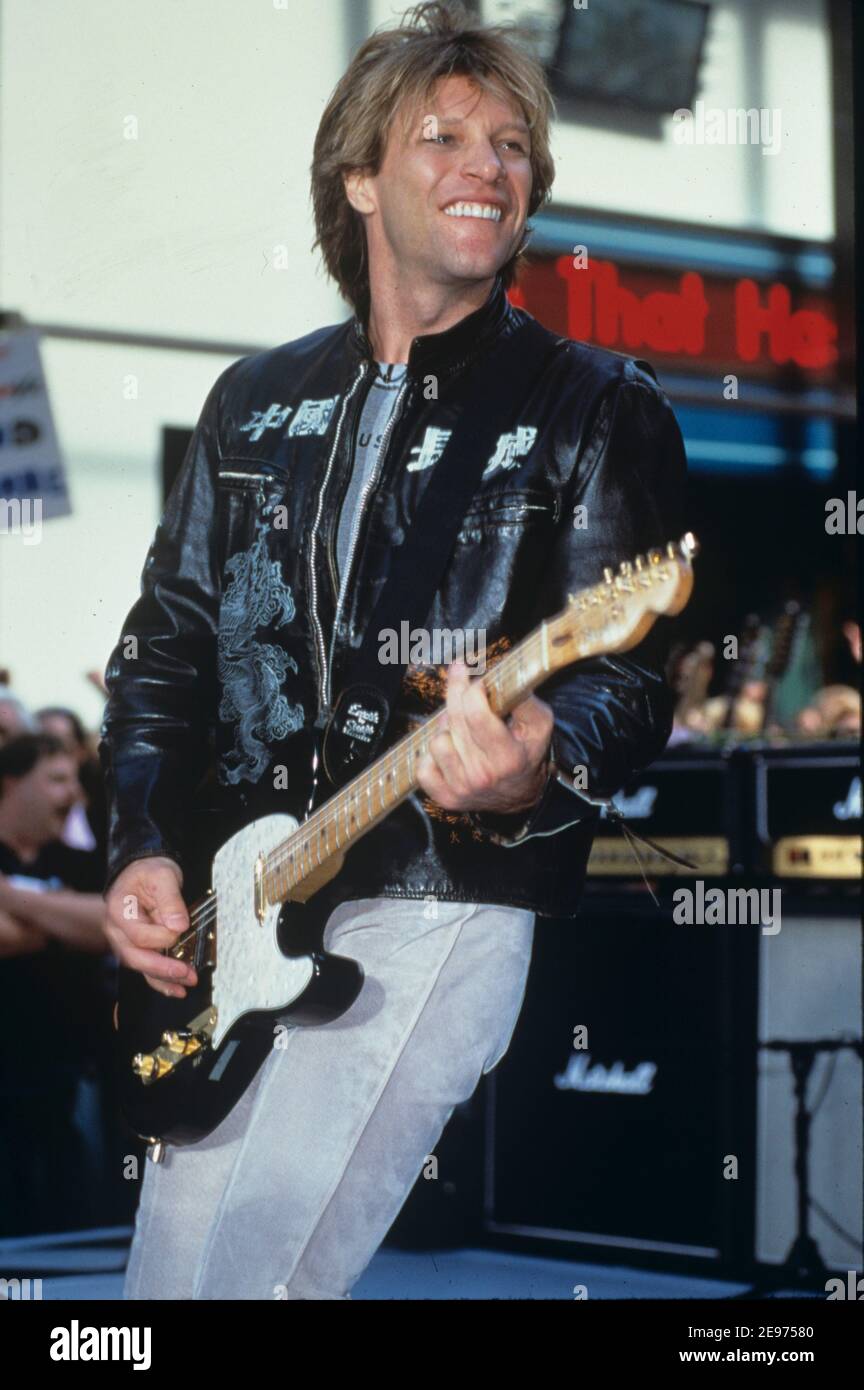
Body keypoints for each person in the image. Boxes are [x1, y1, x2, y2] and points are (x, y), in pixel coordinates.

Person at [99, 0, 686, 1300]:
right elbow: (169, 644)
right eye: (444, 135)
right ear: (360, 176)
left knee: (260, 1282)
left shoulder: (593, 405)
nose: (490, 163)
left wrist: (541, 753)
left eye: (512, 142)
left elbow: (630, 675)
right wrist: (141, 840)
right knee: (159, 1298)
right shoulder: (253, 401)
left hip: (443, 894)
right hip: (239, 907)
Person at [0, 733, 111, 1234]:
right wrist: (62, 917)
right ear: (11, 783)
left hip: (71, 1081)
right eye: (56, 779)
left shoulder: (79, 863)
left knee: (75, 1232)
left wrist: (12, 897)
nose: (71, 794)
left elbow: (110, 924)